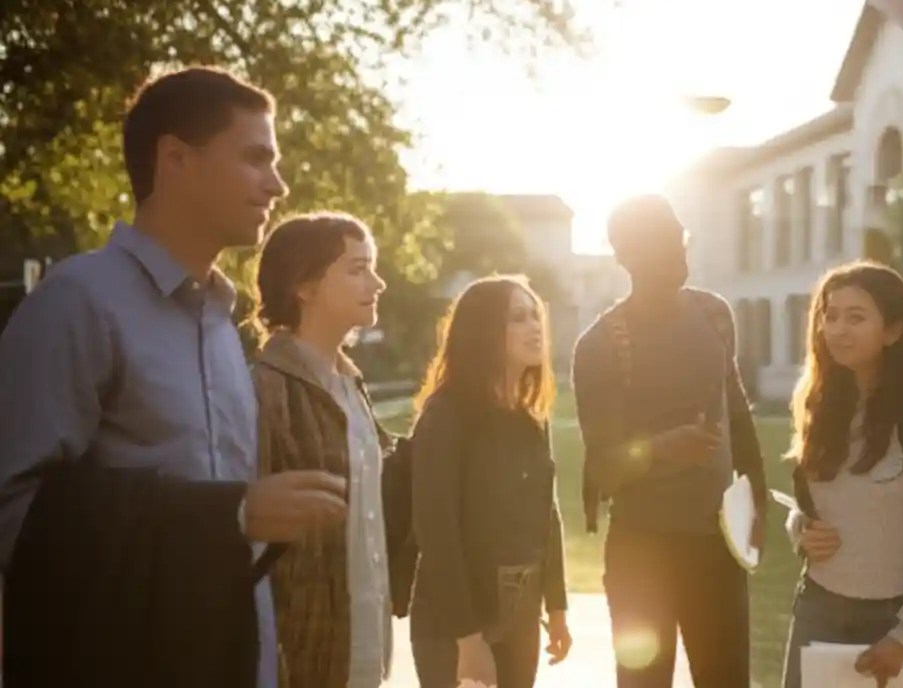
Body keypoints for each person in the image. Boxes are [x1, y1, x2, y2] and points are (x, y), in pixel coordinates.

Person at [0, 67, 346, 687]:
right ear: (176, 160)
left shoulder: (223, 325)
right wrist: (227, 515)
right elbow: (16, 517)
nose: (279, 185)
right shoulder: (75, 303)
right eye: (256, 158)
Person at [572, 194, 769, 688]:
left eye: (680, 237)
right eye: (664, 242)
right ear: (627, 257)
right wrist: (664, 446)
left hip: (717, 549)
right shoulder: (600, 345)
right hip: (641, 555)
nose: (680, 250)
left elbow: (738, 415)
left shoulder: (714, 314)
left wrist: (758, 508)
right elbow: (603, 468)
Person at [781, 262, 903, 688]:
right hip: (819, 611)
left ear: (893, 330)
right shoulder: (819, 407)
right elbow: (814, 506)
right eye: (831, 316)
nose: (838, 330)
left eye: (856, 317)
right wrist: (800, 531)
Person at [251, 212, 417, 688]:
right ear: (305, 286)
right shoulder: (264, 390)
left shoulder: (351, 385)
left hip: (364, 649)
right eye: (358, 269)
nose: (378, 283)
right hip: (299, 658)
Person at [409, 275, 572, 688]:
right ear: (483, 330)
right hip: (455, 626)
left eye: (535, 316)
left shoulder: (530, 418)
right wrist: (468, 640)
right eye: (518, 318)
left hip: (521, 618)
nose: (534, 327)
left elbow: (546, 515)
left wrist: (556, 607)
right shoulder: (445, 416)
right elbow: (437, 534)